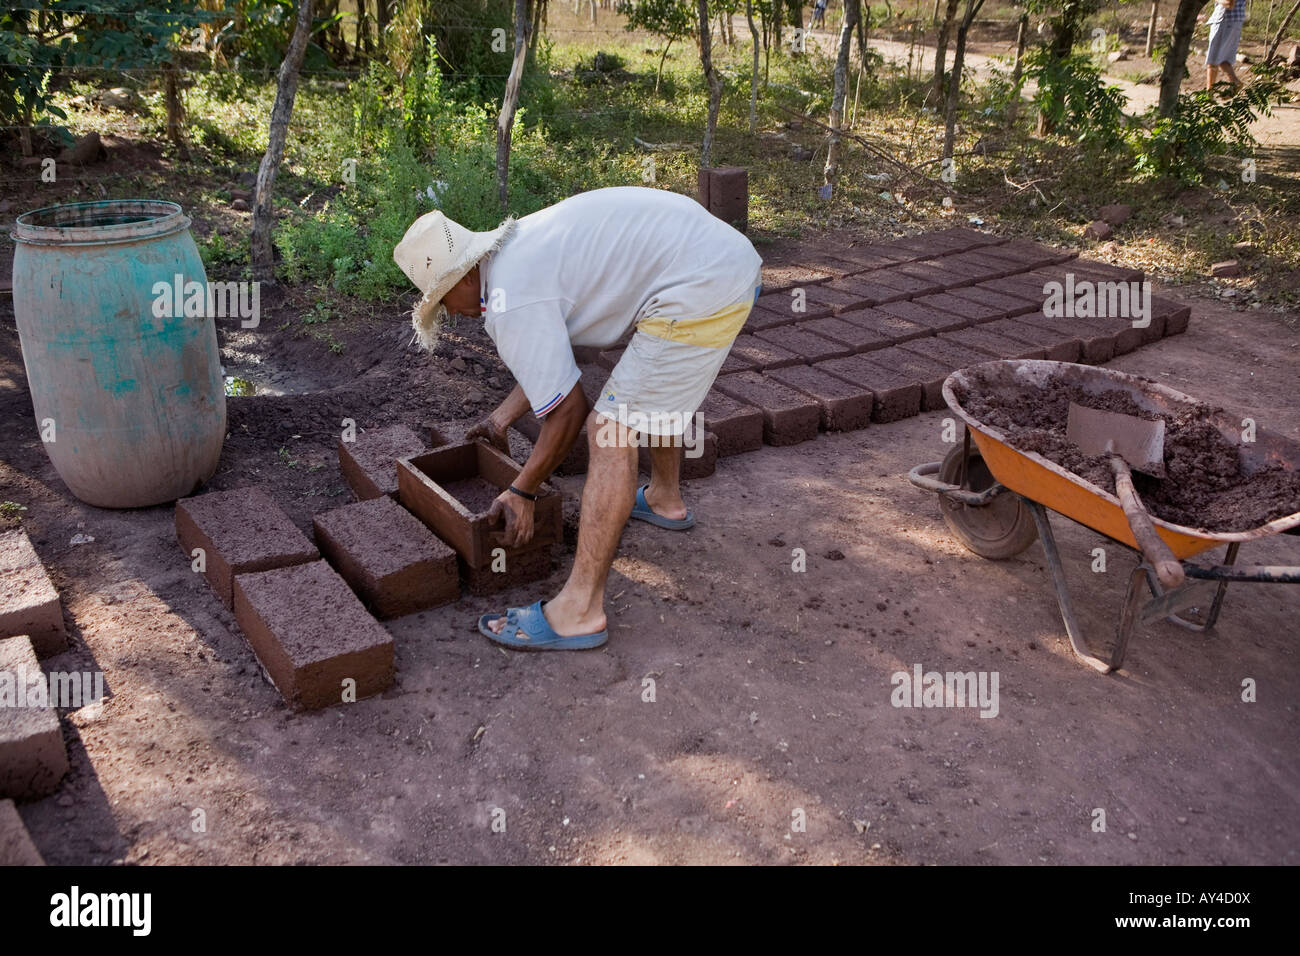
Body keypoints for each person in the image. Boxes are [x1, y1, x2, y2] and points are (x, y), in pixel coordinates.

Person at [393, 187, 762, 651]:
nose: (450, 313)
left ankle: (580, 609)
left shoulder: (510, 297)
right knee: (643, 383)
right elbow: (557, 356)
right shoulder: (519, 252)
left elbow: (569, 410)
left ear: (463, 277)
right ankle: (665, 497)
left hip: (702, 285)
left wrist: (522, 490)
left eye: (443, 302)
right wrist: (501, 419)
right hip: (716, 260)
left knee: (608, 429)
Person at [1206, 0, 1248, 92]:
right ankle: (1235, 82)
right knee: (1224, 59)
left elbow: (1229, 3)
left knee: (1212, 61)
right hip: (1235, 20)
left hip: (1224, 20)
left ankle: (1209, 95)